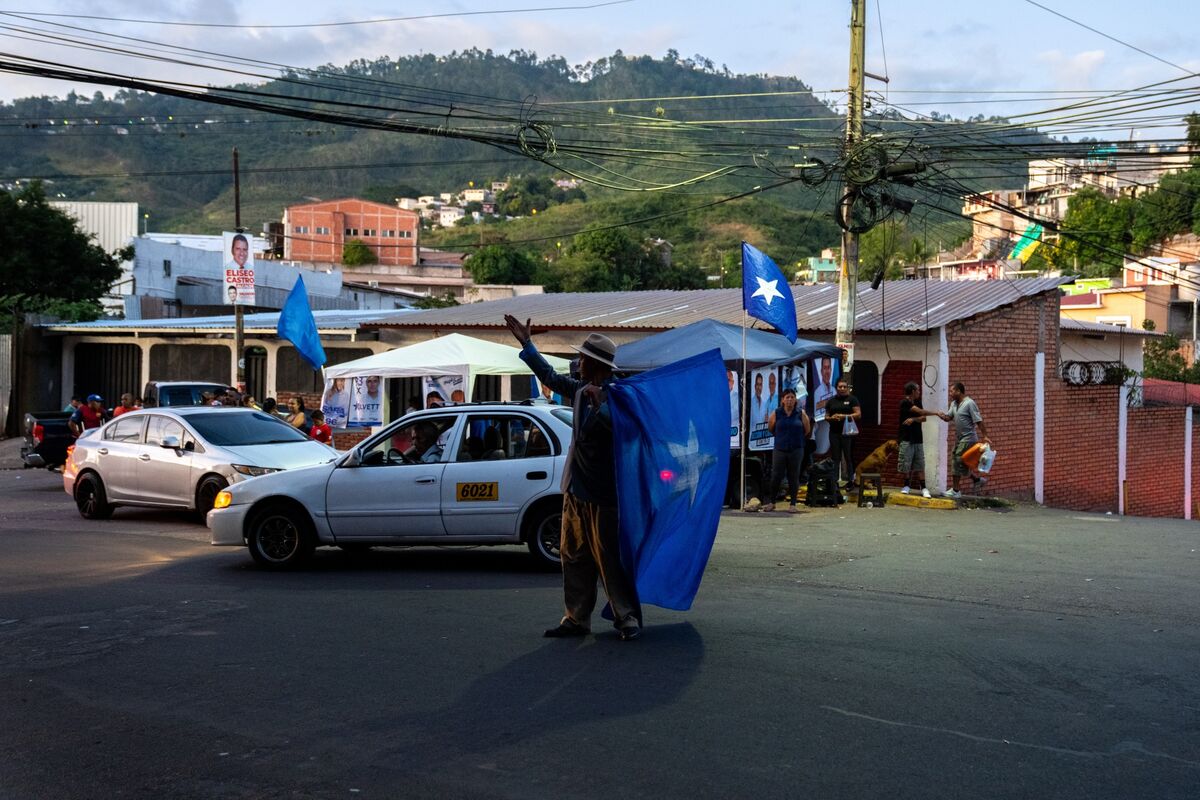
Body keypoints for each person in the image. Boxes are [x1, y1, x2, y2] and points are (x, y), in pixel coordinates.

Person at [505, 313, 642, 642]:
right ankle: (576, 618)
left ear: (595, 364)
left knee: (609, 558)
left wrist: (602, 408)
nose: (577, 362)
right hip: (576, 489)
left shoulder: (618, 397)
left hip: (606, 493)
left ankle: (627, 617)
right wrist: (527, 343)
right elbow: (549, 376)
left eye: (582, 358)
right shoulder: (580, 390)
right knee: (573, 554)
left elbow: (628, 433)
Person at [763, 388, 811, 513]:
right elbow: (771, 428)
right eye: (787, 397)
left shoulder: (801, 413)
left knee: (794, 476)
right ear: (782, 400)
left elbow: (807, 430)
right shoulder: (777, 413)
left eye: (792, 397)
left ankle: (793, 504)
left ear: (795, 400)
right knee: (776, 476)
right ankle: (772, 502)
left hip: (796, 449)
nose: (790, 400)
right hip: (780, 449)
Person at [940, 382, 990, 498]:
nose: (950, 394)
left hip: (969, 438)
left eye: (952, 391)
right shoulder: (953, 404)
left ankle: (956, 491)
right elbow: (949, 417)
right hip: (959, 438)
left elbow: (979, 420)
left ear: (959, 391)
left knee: (956, 460)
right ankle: (977, 480)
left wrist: (985, 435)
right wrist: (943, 416)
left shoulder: (969, 403)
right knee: (962, 461)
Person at [898, 381, 937, 498]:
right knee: (906, 463)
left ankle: (923, 487)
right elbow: (920, 412)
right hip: (906, 437)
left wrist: (913, 420)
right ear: (913, 391)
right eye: (918, 390)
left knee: (920, 463)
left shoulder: (918, 402)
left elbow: (923, 418)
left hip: (918, 438)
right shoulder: (905, 402)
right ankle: (906, 485)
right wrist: (936, 413)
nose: (919, 392)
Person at [825, 378, 861, 489]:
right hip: (834, 433)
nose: (842, 389)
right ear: (836, 388)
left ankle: (851, 481)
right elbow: (826, 416)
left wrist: (844, 416)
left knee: (848, 457)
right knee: (835, 458)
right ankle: (834, 481)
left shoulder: (852, 399)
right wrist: (832, 418)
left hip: (848, 433)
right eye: (840, 387)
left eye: (844, 387)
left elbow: (858, 414)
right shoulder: (831, 401)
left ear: (847, 388)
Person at [812, 356, 837, 457]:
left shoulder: (834, 390)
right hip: (820, 428)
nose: (827, 371)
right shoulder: (817, 392)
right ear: (821, 370)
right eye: (825, 368)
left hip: (831, 427)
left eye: (829, 368)